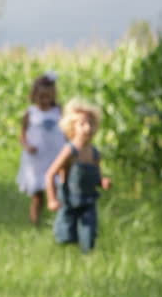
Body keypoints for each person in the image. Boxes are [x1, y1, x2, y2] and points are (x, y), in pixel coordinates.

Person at [45, 99, 112, 253]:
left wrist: (103, 182)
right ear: (72, 126)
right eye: (82, 124)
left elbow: (97, 175)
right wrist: (52, 199)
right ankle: (65, 253)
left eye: (91, 123)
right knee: (66, 233)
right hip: (69, 199)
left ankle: (87, 253)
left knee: (89, 230)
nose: (87, 128)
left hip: (88, 198)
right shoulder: (70, 151)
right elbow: (50, 174)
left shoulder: (94, 153)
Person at [16, 72, 66, 226]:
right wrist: (27, 146)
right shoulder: (30, 113)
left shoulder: (59, 111)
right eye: (41, 97)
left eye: (48, 97)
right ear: (34, 96)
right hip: (36, 160)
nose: (44, 100)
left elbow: (67, 130)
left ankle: (58, 224)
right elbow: (22, 134)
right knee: (37, 195)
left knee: (56, 191)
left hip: (55, 157)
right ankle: (35, 223)